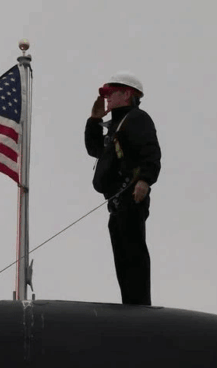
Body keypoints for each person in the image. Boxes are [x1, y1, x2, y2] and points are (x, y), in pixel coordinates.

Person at [84, 72, 161, 305]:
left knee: (133, 253)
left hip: (130, 197)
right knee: (122, 253)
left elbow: (151, 152)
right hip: (116, 202)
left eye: (110, 93)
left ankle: (139, 305)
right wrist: (94, 121)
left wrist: (144, 180)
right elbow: (95, 150)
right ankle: (130, 303)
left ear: (127, 94)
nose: (106, 98)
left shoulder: (138, 118)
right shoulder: (116, 125)